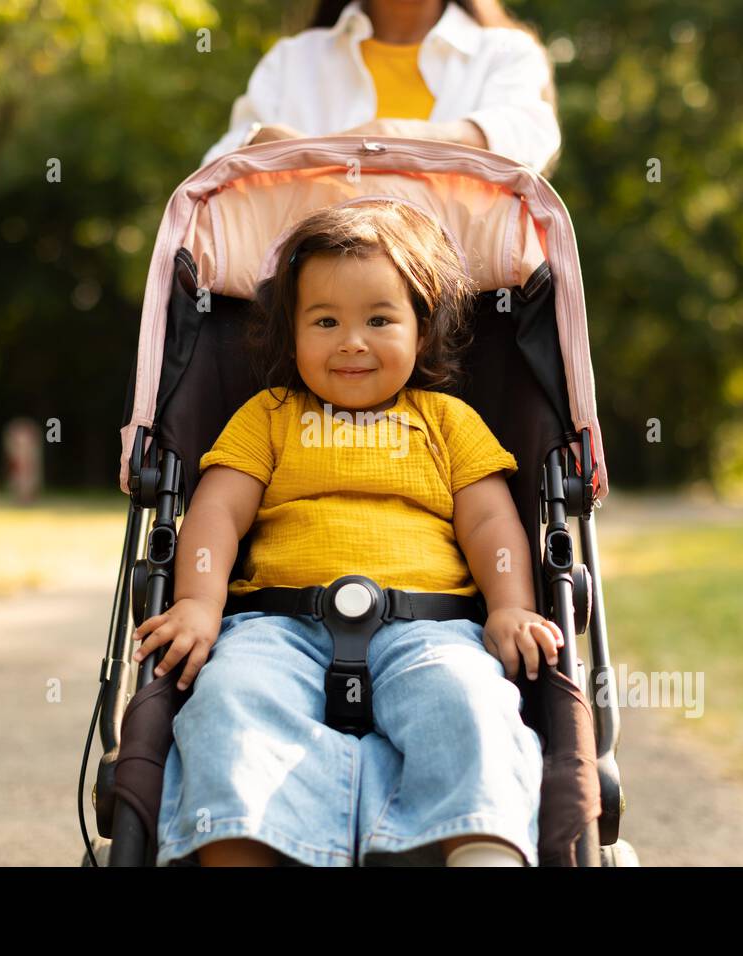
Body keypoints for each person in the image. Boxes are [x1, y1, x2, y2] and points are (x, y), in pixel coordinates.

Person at [133, 199, 564, 867]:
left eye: (379, 320)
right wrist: (197, 602)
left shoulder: (447, 421)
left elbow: (490, 522)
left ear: (420, 330)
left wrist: (510, 606)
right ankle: (243, 844)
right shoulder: (269, 416)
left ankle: (481, 844)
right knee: (230, 701)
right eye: (325, 321)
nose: (352, 341)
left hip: (432, 627)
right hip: (276, 625)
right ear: (293, 334)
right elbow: (216, 512)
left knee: (471, 701)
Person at [200, 0, 562, 176]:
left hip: (467, 314)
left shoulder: (506, 53)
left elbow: (528, 136)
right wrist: (257, 143)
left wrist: (394, 136)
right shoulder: (292, 59)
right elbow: (211, 173)